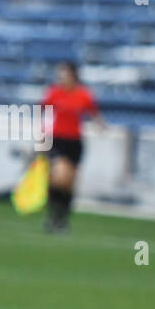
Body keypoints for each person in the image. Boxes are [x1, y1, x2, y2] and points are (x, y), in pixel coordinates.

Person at [40, 61, 106, 233]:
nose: (61, 77)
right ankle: (52, 215)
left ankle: (61, 219)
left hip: (74, 142)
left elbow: (93, 112)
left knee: (68, 183)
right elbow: (45, 115)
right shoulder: (53, 93)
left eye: (64, 73)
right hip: (57, 140)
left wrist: (101, 125)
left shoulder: (83, 95)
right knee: (58, 176)